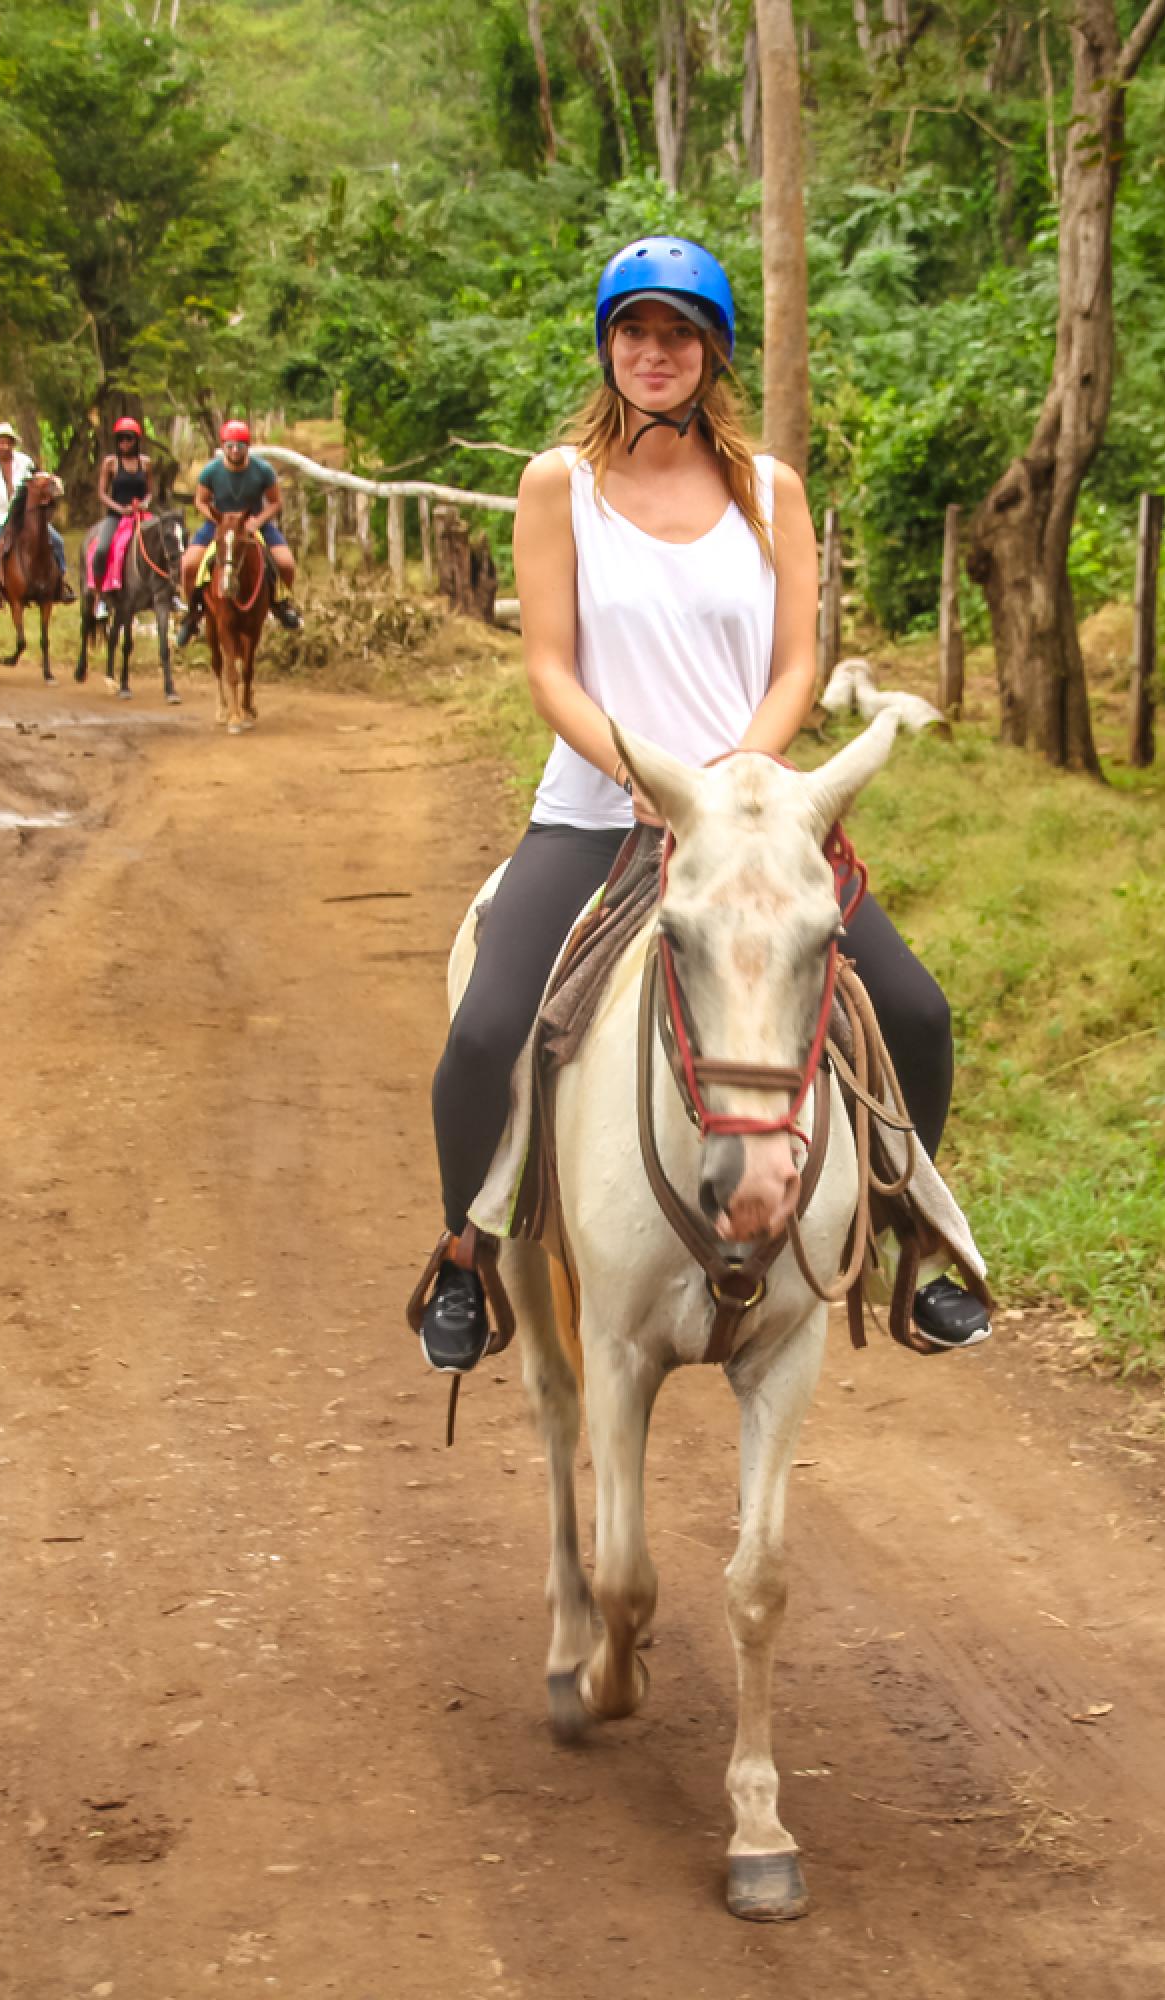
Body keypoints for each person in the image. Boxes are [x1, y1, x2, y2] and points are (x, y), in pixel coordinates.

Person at [413, 234, 991, 1375]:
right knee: (488, 1030)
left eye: (678, 331)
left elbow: (792, 664)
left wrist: (732, 783)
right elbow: (549, 666)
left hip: (749, 821)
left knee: (914, 1015)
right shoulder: (556, 485)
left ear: (712, 350)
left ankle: (907, 1233)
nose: (654, 351)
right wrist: (642, 776)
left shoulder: (770, 490)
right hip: (594, 812)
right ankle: (465, 1256)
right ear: (608, 346)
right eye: (634, 329)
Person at [173, 421, 302, 641]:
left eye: (240, 446)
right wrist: (216, 518)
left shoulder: (263, 470)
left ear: (247, 447)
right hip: (219, 525)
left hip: (253, 523)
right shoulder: (211, 470)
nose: (235, 450)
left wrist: (257, 521)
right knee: (189, 565)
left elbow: (275, 502)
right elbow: (200, 501)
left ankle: (281, 604)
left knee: (286, 563)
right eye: (230, 445)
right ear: (223, 446)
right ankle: (192, 612)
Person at [0, 420, 66, 593]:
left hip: (22, 516)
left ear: (13, 444)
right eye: (0, 442)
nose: (4, 446)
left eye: (8, 442)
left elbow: (38, 480)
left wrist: (51, 484)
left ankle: (59, 580)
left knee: (56, 540)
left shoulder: (25, 462)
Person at [90, 416, 162, 610]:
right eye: (121, 438)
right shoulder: (111, 463)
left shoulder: (145, 463)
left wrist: (145, 503)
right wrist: (119, 508)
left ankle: (169, 591)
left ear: (136, 440)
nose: (125, 443)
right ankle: (100, 596)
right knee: (102, 549)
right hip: (116, 515)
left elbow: (150, 491)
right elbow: (101, 493)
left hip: (140, 515)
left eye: (129, 438)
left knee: (166, 541)